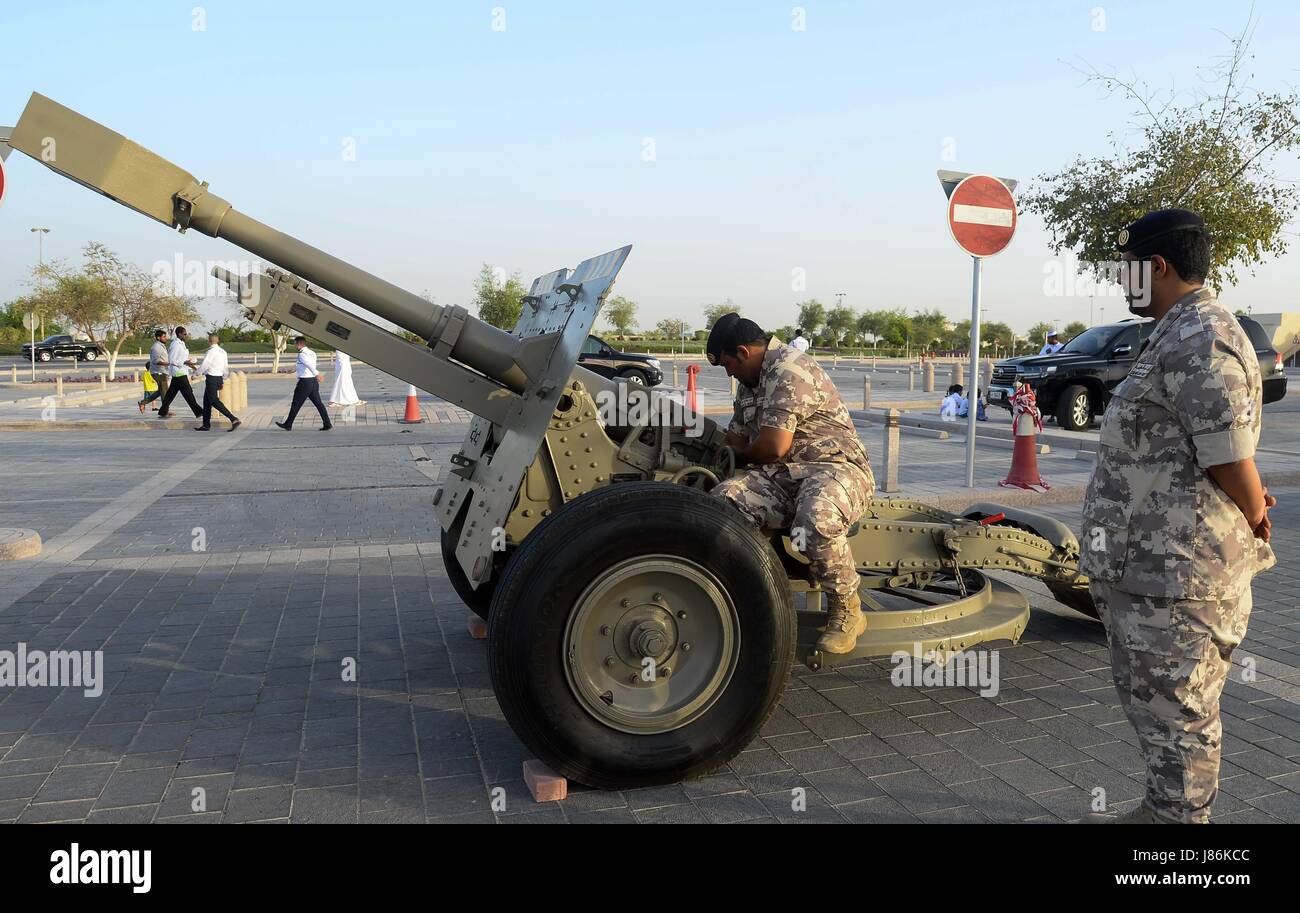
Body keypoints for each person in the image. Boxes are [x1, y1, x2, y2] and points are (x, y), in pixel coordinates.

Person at [1080, 209, 1275, 824]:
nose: (1121, 283)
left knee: (1180, 715)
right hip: (1151, 569)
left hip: (1179, 578)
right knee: (1161, 710)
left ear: (1156, 266)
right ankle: (1166, 808)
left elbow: (1228, 453)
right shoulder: (1174, 330)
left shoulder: (1200, 334)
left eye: (1127, 270)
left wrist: (1253, 511)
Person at [707, 314, 875, 654]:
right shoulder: (750, 384)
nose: (729, 373)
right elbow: (734, 439)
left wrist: (737, 454)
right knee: (724, 501)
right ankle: (761, 590)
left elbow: (771, 447)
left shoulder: (788, 369)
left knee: (816, 517)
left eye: (728, 365)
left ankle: (847, 609)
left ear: (743, 351)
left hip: (835, 468)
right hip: (784, 477)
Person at [276, 337, 332, 431]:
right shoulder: (312, 352)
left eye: (294, 344)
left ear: (299, 344)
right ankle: (327, 423)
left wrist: (317, 374)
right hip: (313, 382)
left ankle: (288, 424)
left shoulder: (302, 354)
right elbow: (308, 365)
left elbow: (309, 365)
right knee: (319, 404)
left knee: (296, 404)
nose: (294, 346)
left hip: (305, 382)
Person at [194, 333, 241, 432]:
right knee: (207, 402)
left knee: (214, 401)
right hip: (219, 377)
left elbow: (205, 364)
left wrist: (196, 374)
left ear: (209, 341)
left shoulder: (211, 351)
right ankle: (206, 425)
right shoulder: (223, 352)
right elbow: (225, 367)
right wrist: (223, 378)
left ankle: (233, 419)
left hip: (211, 378)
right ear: (218, 341)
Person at [157, 326, 202, 419]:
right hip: (178, 372)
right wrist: (184, 362)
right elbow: (172, 360)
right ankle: (198, 412)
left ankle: (162, 411)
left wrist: (192, 365)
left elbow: (182, 358)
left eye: (186, 334)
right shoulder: (175, 345)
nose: (186, 335)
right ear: (179, 334)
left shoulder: (181, 344)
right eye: (184, 334)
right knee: (188, 393)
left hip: (181, 372)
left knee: (170, 394)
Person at [138, 328, 170, 413]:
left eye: (165, 336)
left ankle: (143, 402)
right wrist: (168, 364)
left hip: (162, 371)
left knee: (161, 391)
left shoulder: (161, 346)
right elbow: (156, 361)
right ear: (158, 337)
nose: (165, 338)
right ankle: (164, 411)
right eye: (163, 336)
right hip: (158, 372)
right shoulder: (156, 347)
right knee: (164, 392)